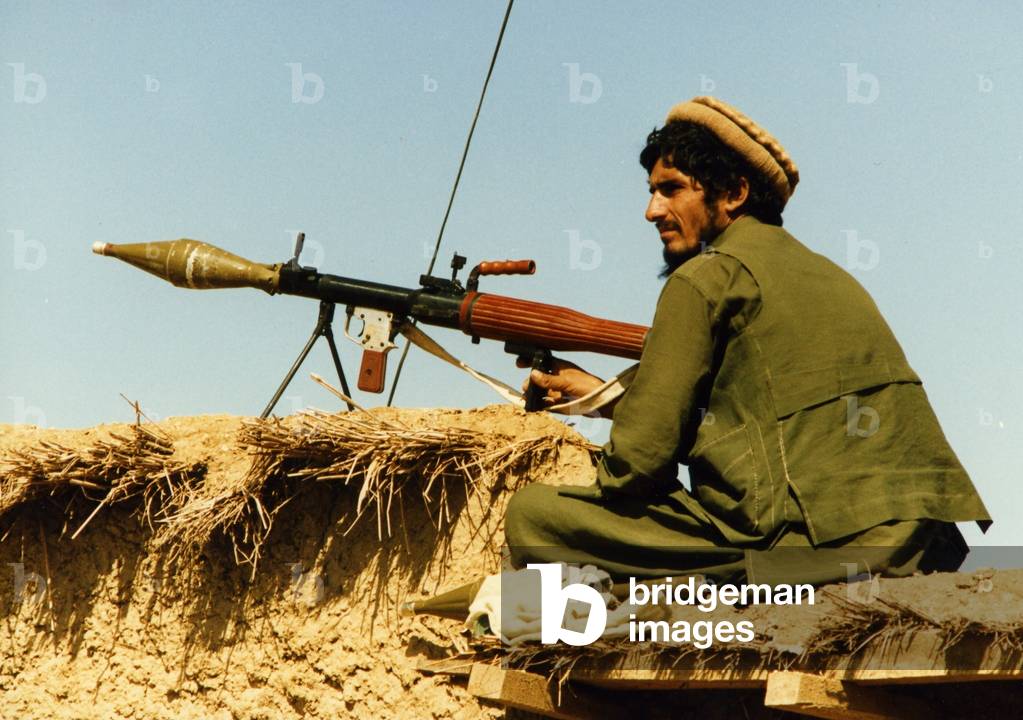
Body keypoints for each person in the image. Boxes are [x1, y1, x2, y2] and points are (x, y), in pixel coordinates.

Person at [504, 96, 991, 586]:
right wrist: (601, 397)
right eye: (652, 191)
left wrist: (622, 448)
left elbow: (635, 466)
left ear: (734, 192)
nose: (652, 210)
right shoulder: (830, 274)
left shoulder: (703, 278)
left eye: (671, 190)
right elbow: (764, 414)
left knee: (536, 516)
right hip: (922, 540)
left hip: (813, 547)